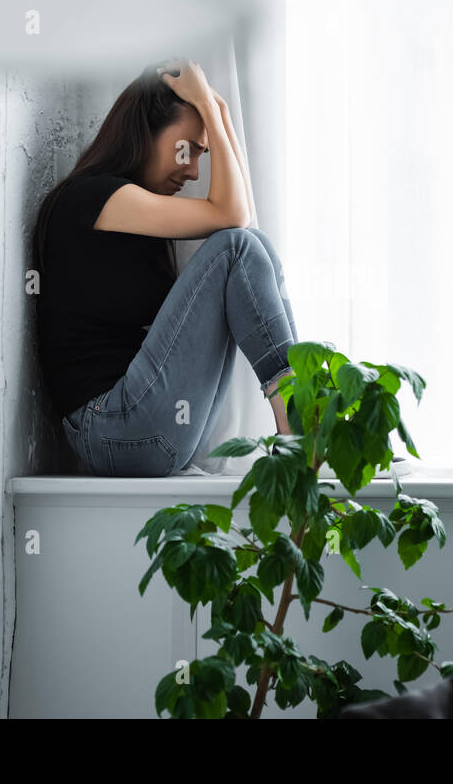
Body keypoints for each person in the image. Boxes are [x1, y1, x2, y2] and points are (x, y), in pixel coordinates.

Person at [32, 57, 298, 476]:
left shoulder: (134, 216)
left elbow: (243, 218)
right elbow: (234, 218)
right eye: (187, 148)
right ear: (145, 131)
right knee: (236, 247)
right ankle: (298, 424)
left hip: (146, 429)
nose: (193, 170)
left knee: (255, 245)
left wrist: (220, 112)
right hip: (112, 427)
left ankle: (301, 417)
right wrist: (208, 106)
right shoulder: (92, 198)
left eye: (201, 154)